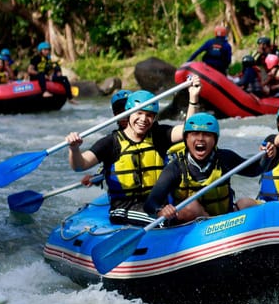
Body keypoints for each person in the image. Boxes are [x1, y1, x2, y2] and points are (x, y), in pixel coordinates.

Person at [65, 77, 203, 225]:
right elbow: (80, 165)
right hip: (125, 207)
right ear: (129, 113)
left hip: (156, 202)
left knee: (194, 207)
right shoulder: (111, 142)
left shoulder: (158, 135)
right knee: (165, 219)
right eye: (139, 113)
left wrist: (193, 97)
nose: (144, 119)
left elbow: (189, 131)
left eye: (149, 115)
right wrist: (74, 149)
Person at [143, 113, 272, 224]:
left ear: (215, 140)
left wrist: (266, 156)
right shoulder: (175, 167)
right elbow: (151, 203)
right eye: (195, 134)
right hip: (191, 226)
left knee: (246, 203)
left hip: (224, 220)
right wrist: (161, 210)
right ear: (186, 139)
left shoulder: (225, 158)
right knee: (191, 206)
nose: (200, 138)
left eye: (207, 135)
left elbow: (254, 170)